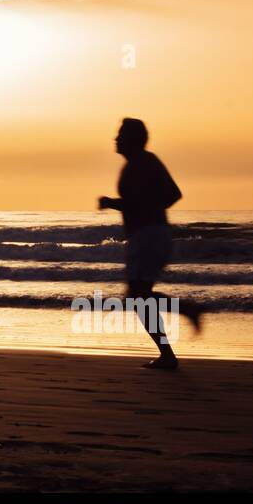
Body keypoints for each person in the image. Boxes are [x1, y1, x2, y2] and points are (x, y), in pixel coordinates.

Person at [97, 118, 203, 369]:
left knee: (138, 297)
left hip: (149, 236)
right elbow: (158, 197)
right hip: (149, 235)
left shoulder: (143, 163)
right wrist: (141, 209)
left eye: (121, 134)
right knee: (139, 297)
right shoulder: (139, 163)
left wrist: (117, 204)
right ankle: (168, 352)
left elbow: (162, 197)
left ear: (133, 139)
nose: (116, 139)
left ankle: (185, 314)